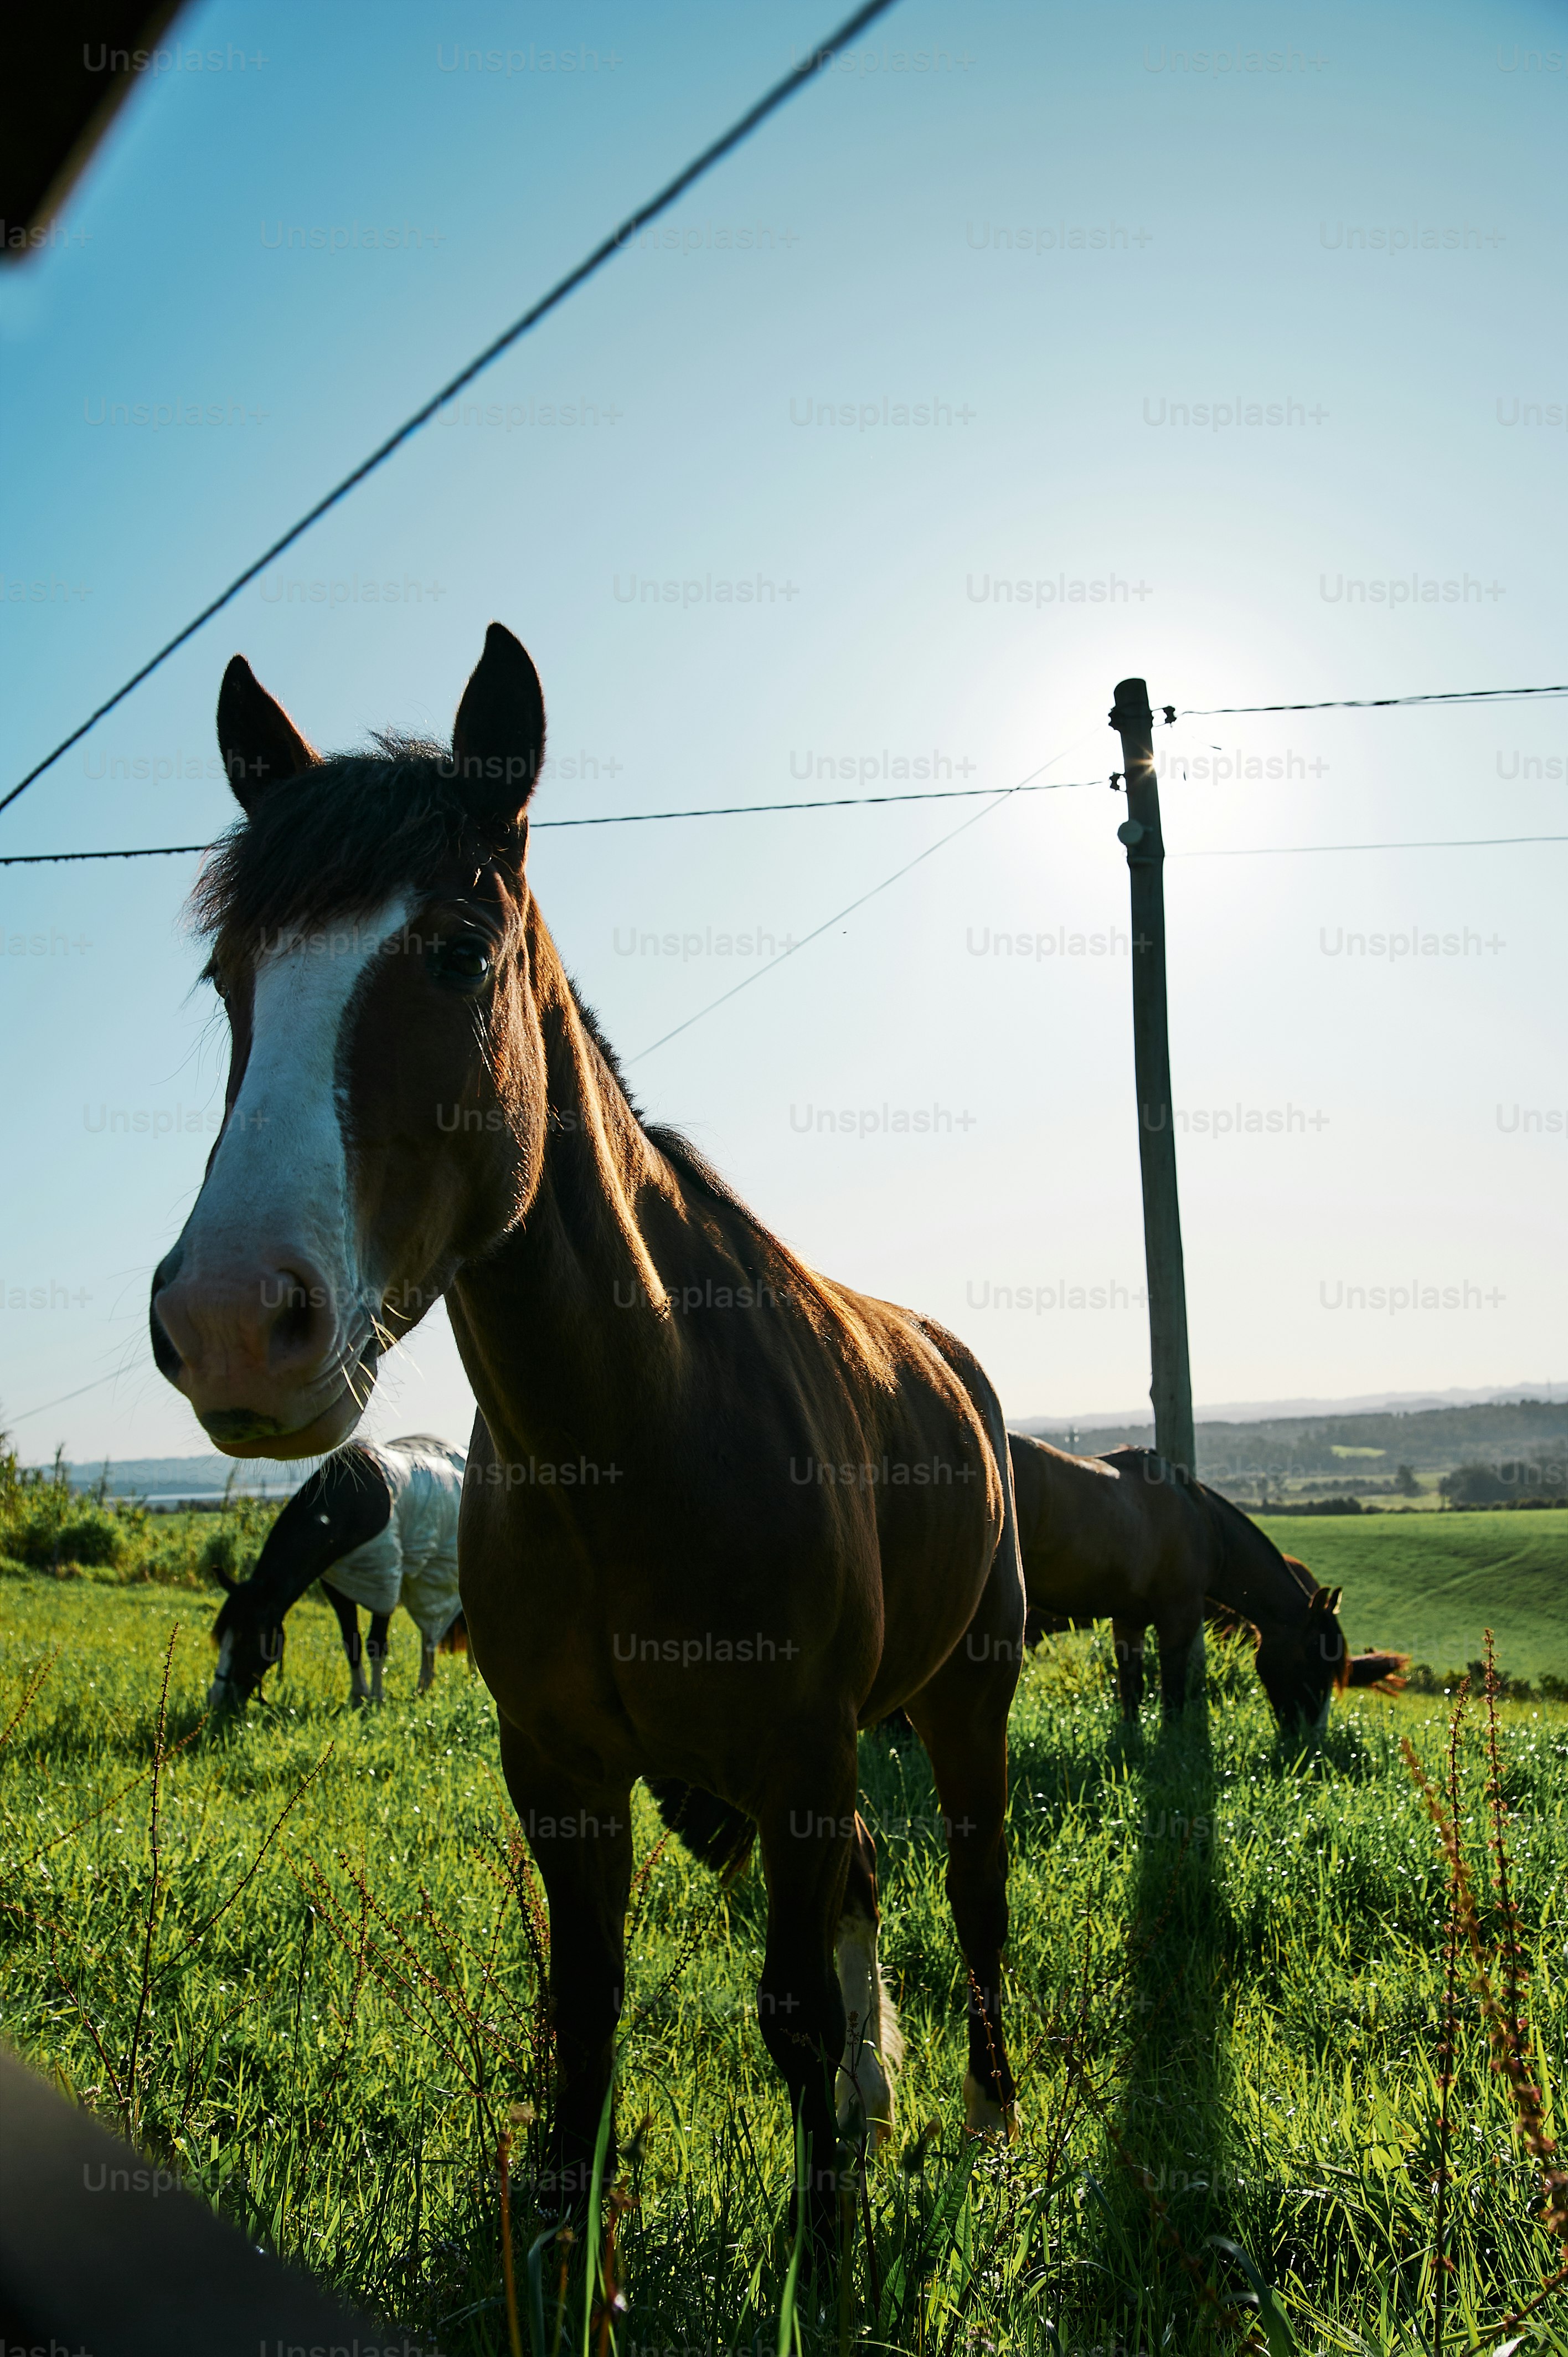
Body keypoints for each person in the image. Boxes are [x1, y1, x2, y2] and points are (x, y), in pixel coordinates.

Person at [208, 1434, 468, 1709]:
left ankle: (381, 1688)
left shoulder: (365, 1511)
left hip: (422, 1498)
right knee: (350, 1627)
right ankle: (360, 1685)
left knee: (422, 1597)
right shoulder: (321, 1526)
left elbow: (386, 1583)